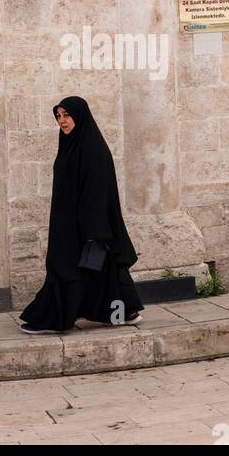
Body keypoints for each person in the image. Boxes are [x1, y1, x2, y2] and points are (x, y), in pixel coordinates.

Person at [19, 95, 144, 334]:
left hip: (86, 227)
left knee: (68, 268)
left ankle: (51, 319)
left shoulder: (93, 149)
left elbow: (98, 193)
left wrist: (93, 233)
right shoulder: (70, 144)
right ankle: (125, 312)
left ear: (80, 116)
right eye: (58, 116)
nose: (62, 121)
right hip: (69, 223)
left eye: (67, 115)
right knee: (103, 271)